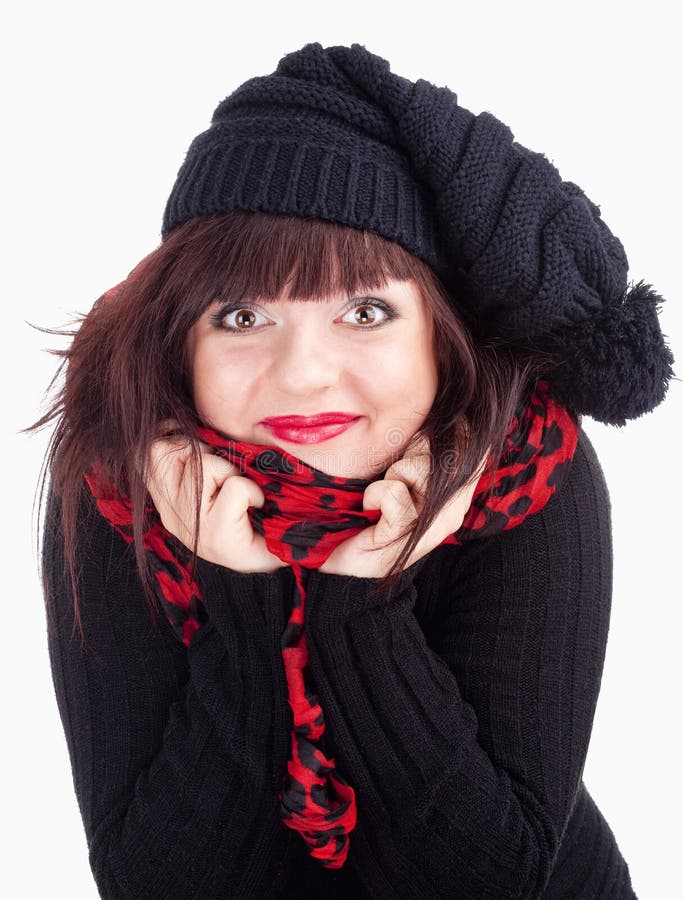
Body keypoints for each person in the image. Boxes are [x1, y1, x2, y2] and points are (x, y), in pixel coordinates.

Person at [33, 42, 674, 899]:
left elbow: (493, 881)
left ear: (439, 337)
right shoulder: (119, 487)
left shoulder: (525, 472)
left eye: (365, 310)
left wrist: (356, 608)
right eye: (243, 314)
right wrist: (247, 595)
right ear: (177, 342)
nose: (303, 373)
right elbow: (150, 881)